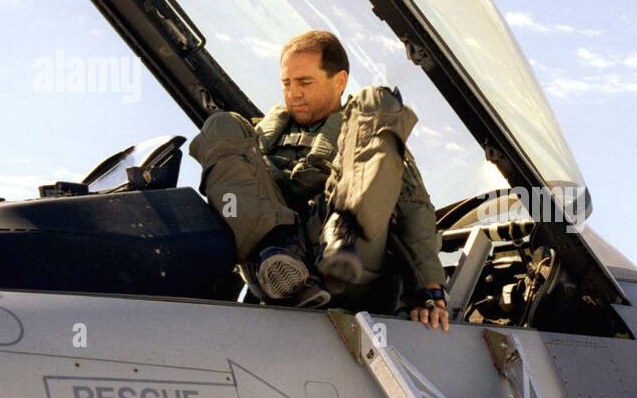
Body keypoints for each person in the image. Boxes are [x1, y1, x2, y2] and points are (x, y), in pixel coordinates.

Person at [189, 30, 450, 331]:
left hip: (348, 262)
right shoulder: (257, 137)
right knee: (221, 126)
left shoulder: (366, 138)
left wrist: (429, 289)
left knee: (378, 103)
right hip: (269, 262)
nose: (293, 93)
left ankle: (342, 235)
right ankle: (279, 259)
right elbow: (230, 202)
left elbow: (413, 211)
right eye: (286, 83)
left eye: (304, 82)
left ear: (339, 81)